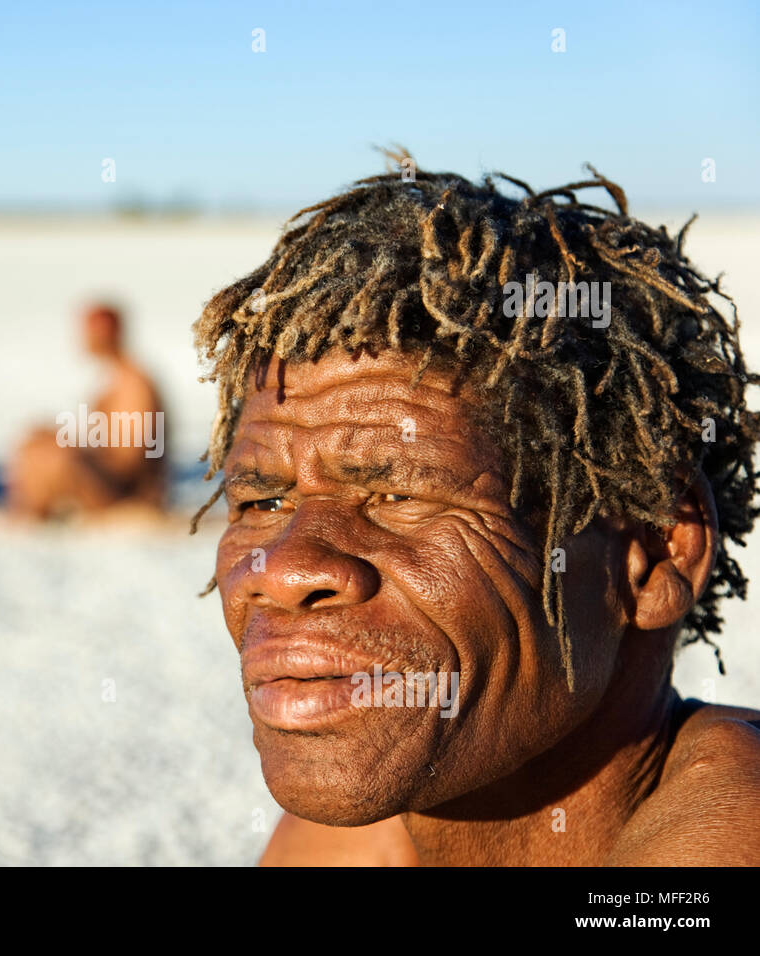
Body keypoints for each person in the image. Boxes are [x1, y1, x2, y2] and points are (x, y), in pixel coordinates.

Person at [190, 163, 760, 865]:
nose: (282, 568)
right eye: (263, 500)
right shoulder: (345, 845)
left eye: (400, 497)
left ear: (659, 549)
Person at [6, 303, 167, 519]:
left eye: (89, 331)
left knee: (51, 457)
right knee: (36, 442)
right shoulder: (116, 378)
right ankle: (31, 512)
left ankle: (32, 516)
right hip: (111, 478)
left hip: (126, 493)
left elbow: (132, 458)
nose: (83, 339)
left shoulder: (133, 383)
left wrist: (77, 452)